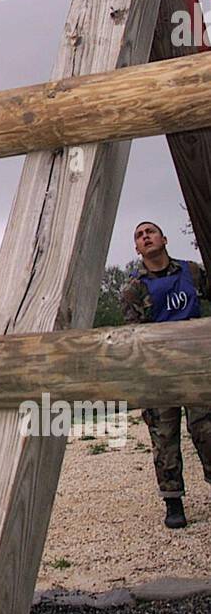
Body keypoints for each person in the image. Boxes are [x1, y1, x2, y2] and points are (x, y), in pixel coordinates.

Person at [119, 221, 211, 529]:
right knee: (164, 438)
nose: (145, 236)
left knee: (207, 430)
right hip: (158, 373)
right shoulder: (134, 288)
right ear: (137, 248)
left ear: (164, 238)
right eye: (139, 235)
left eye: (150, 231)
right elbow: (134, 336)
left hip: (197, 366)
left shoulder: (192, 272)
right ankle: (173, 502)